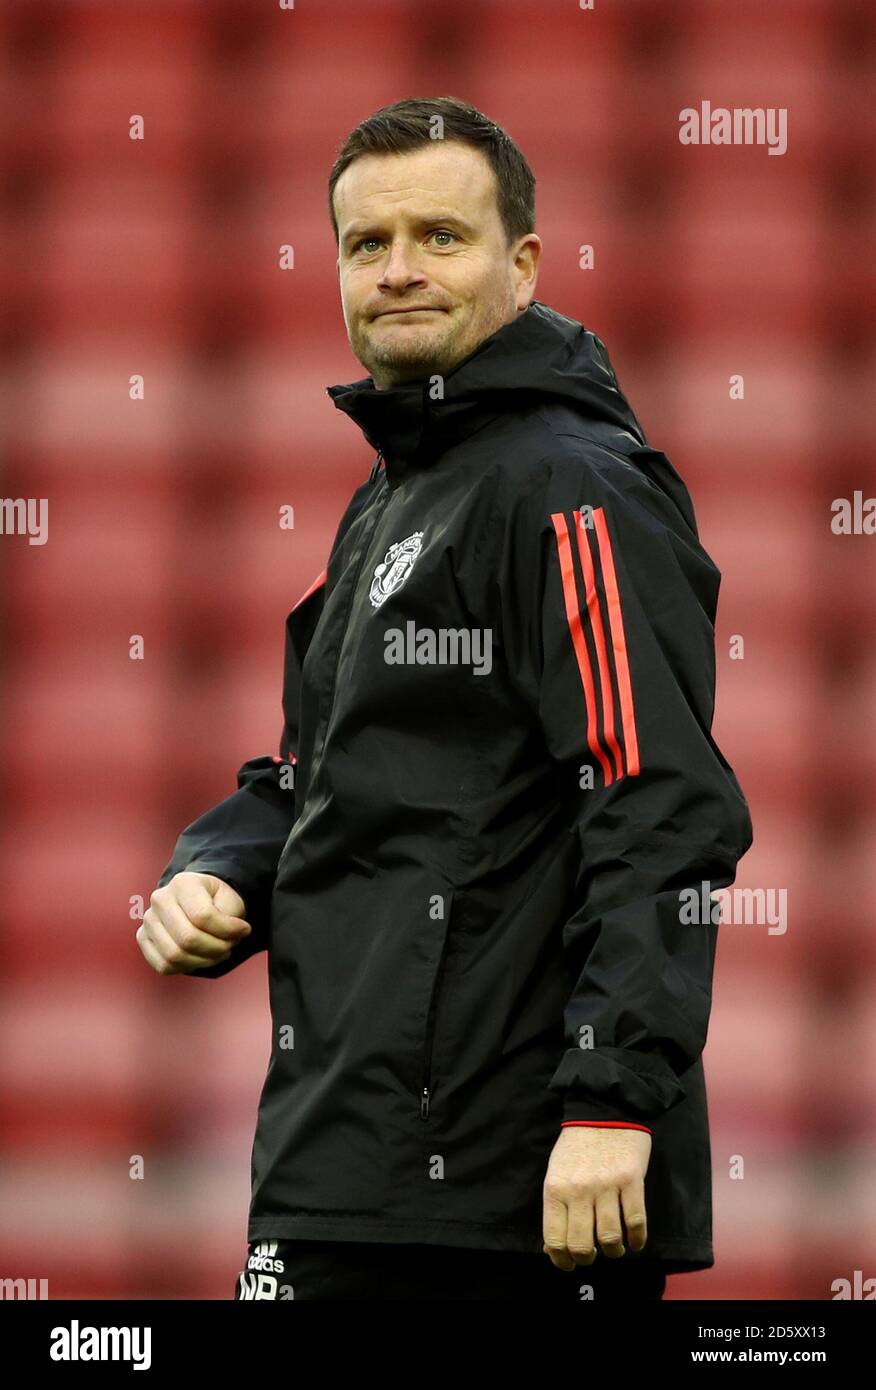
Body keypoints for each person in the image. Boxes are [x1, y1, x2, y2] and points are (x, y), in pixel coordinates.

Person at [139, 97, 753, 1301]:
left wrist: (611, 1101)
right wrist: (219, 865)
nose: (400, 270)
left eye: (441, 236)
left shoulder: (573, 488)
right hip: (343, 1168)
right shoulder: (391, 498)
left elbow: (659, 804)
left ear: (522, 263)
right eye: (369, 245)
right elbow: (323, 775)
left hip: (510, 1191)